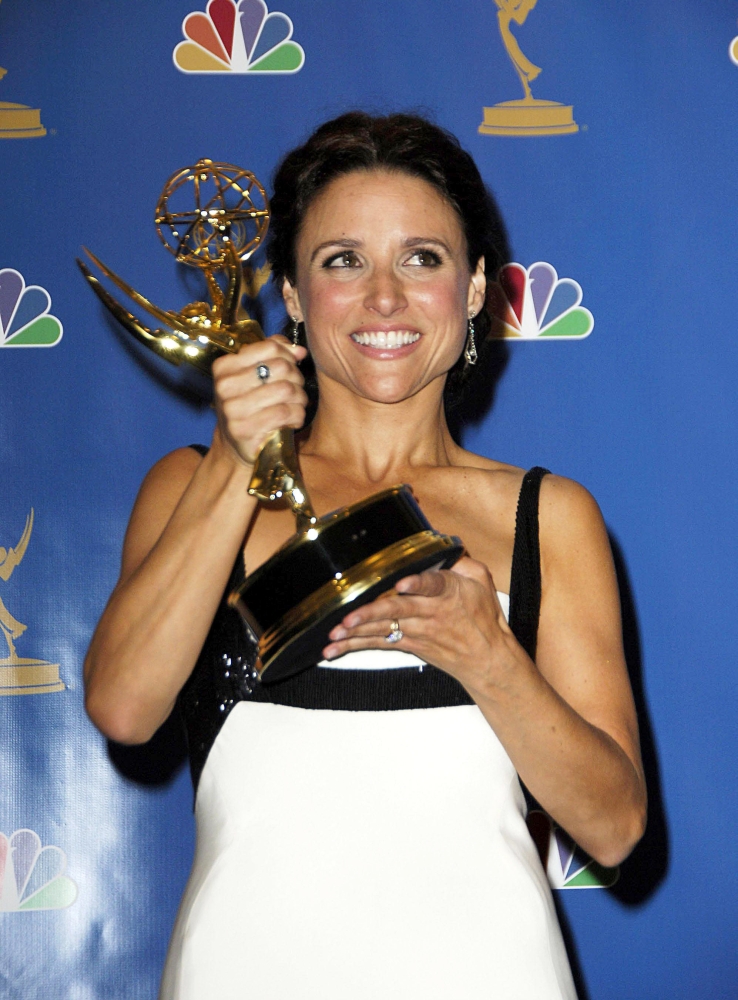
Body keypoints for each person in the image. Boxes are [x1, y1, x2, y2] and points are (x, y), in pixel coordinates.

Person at [84, 112, 646, 1000]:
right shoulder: (193, 481)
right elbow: (123, 706)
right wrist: (240, 459)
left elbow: (613, 827)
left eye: (422, 258)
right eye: (343, 260)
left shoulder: (549, 515)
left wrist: (487, 656)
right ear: (295, 298)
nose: (385, 297)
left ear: (473, 293)